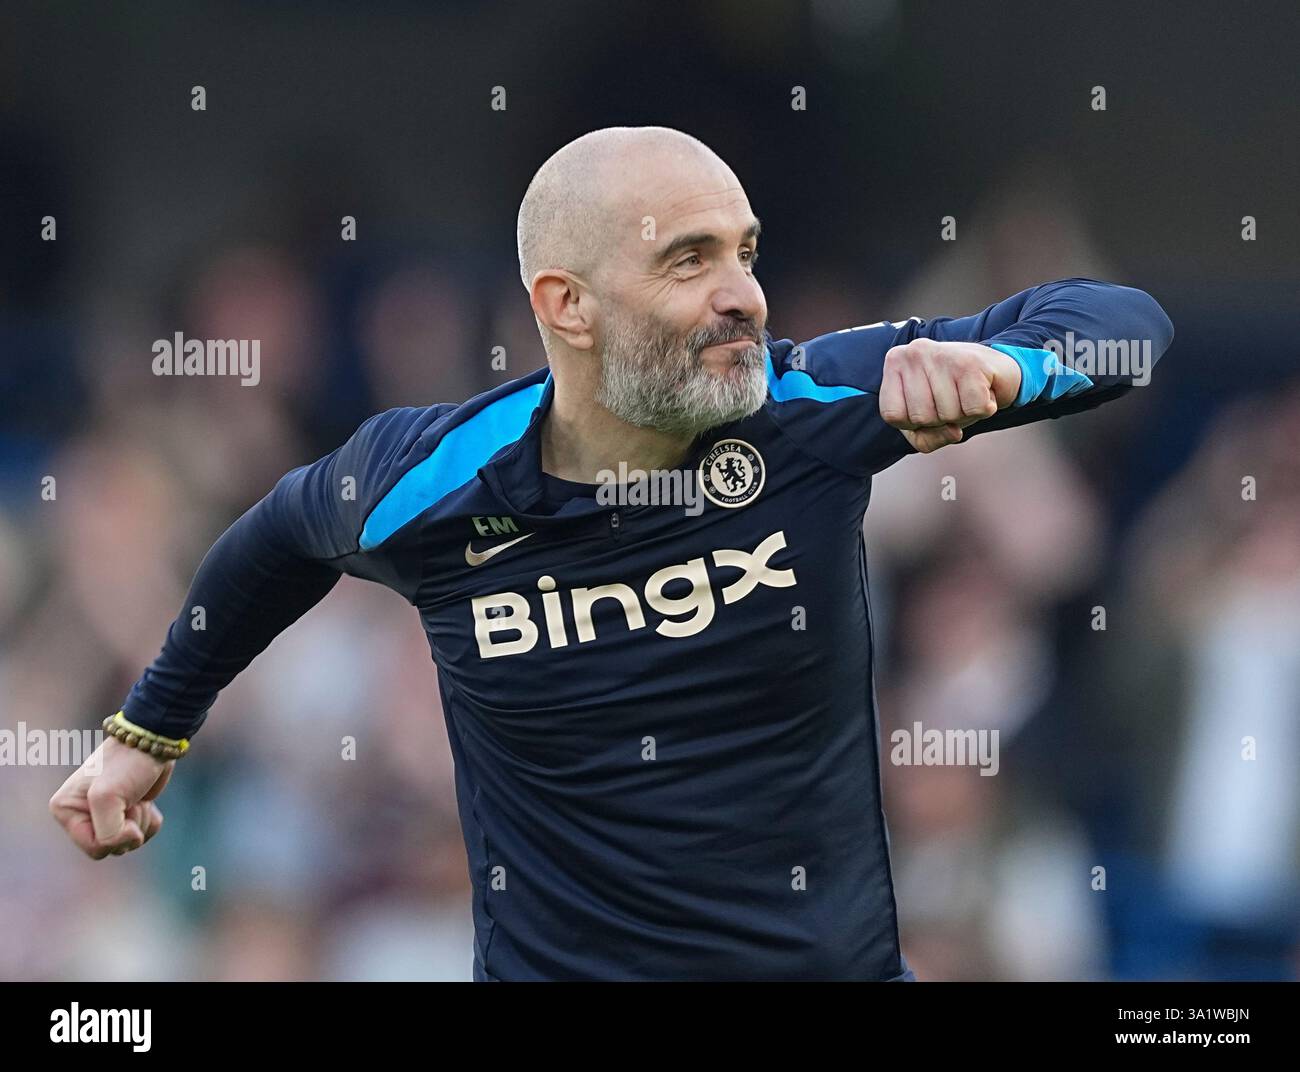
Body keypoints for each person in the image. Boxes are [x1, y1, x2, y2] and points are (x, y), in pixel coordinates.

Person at [50, 126, 1174, 981]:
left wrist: (1015, 373)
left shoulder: (808, 404)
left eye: (745, 252)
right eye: (689, 261)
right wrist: (148, 730)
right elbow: (275, 541)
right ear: (566, 304)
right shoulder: (435, 476)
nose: (742, 295)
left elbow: (1127, 321)